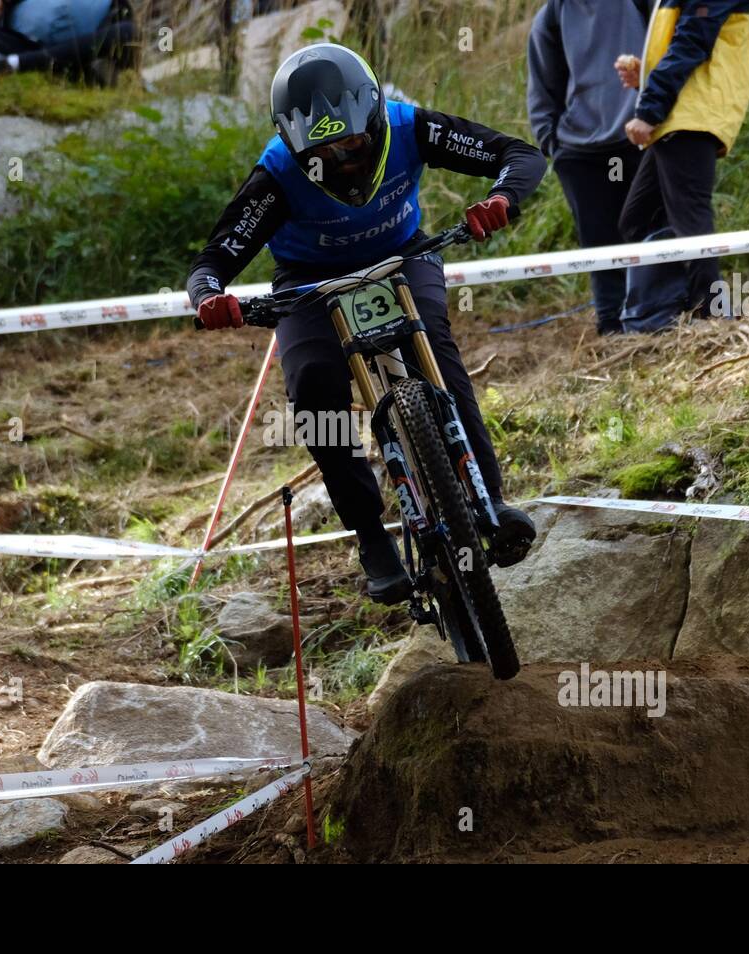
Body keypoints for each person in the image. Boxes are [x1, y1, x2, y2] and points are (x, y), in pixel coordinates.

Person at [185, 44, 546, 603]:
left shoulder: (410, 127)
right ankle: (372, 536)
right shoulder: (277, 174)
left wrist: (501, 198)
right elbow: (214, 261)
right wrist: (211, 298)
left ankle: (487, 497)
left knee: (439, 351)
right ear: (293, 143)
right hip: (311, 281)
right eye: (326, 151)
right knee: (311, 387)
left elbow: (519, 154)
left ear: (376, 116)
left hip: (404, 256)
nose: (347, 158)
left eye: (354, 140)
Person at [614, 0, 749, 321]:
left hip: (691, 116)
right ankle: (671, 308)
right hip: (679, 115)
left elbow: (692, 42)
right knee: (638, 219)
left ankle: (711, 312)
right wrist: (646, 74)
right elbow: (689, 46)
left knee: (690, 220)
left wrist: (648, 110)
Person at [527, 0, 650, 335]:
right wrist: (553, 145)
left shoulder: (641, 4)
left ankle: (654, 317)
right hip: (580, 151)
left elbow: (668, 51)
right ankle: (612, 329)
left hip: (638, 137)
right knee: (599, 244)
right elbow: (542, 87)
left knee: (648, 232)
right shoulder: (553, 14)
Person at [0, 0, 137, 84]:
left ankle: (13, 65)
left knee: (128, 32)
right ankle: (53, 69)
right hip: (32, 44)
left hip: (91, 45)